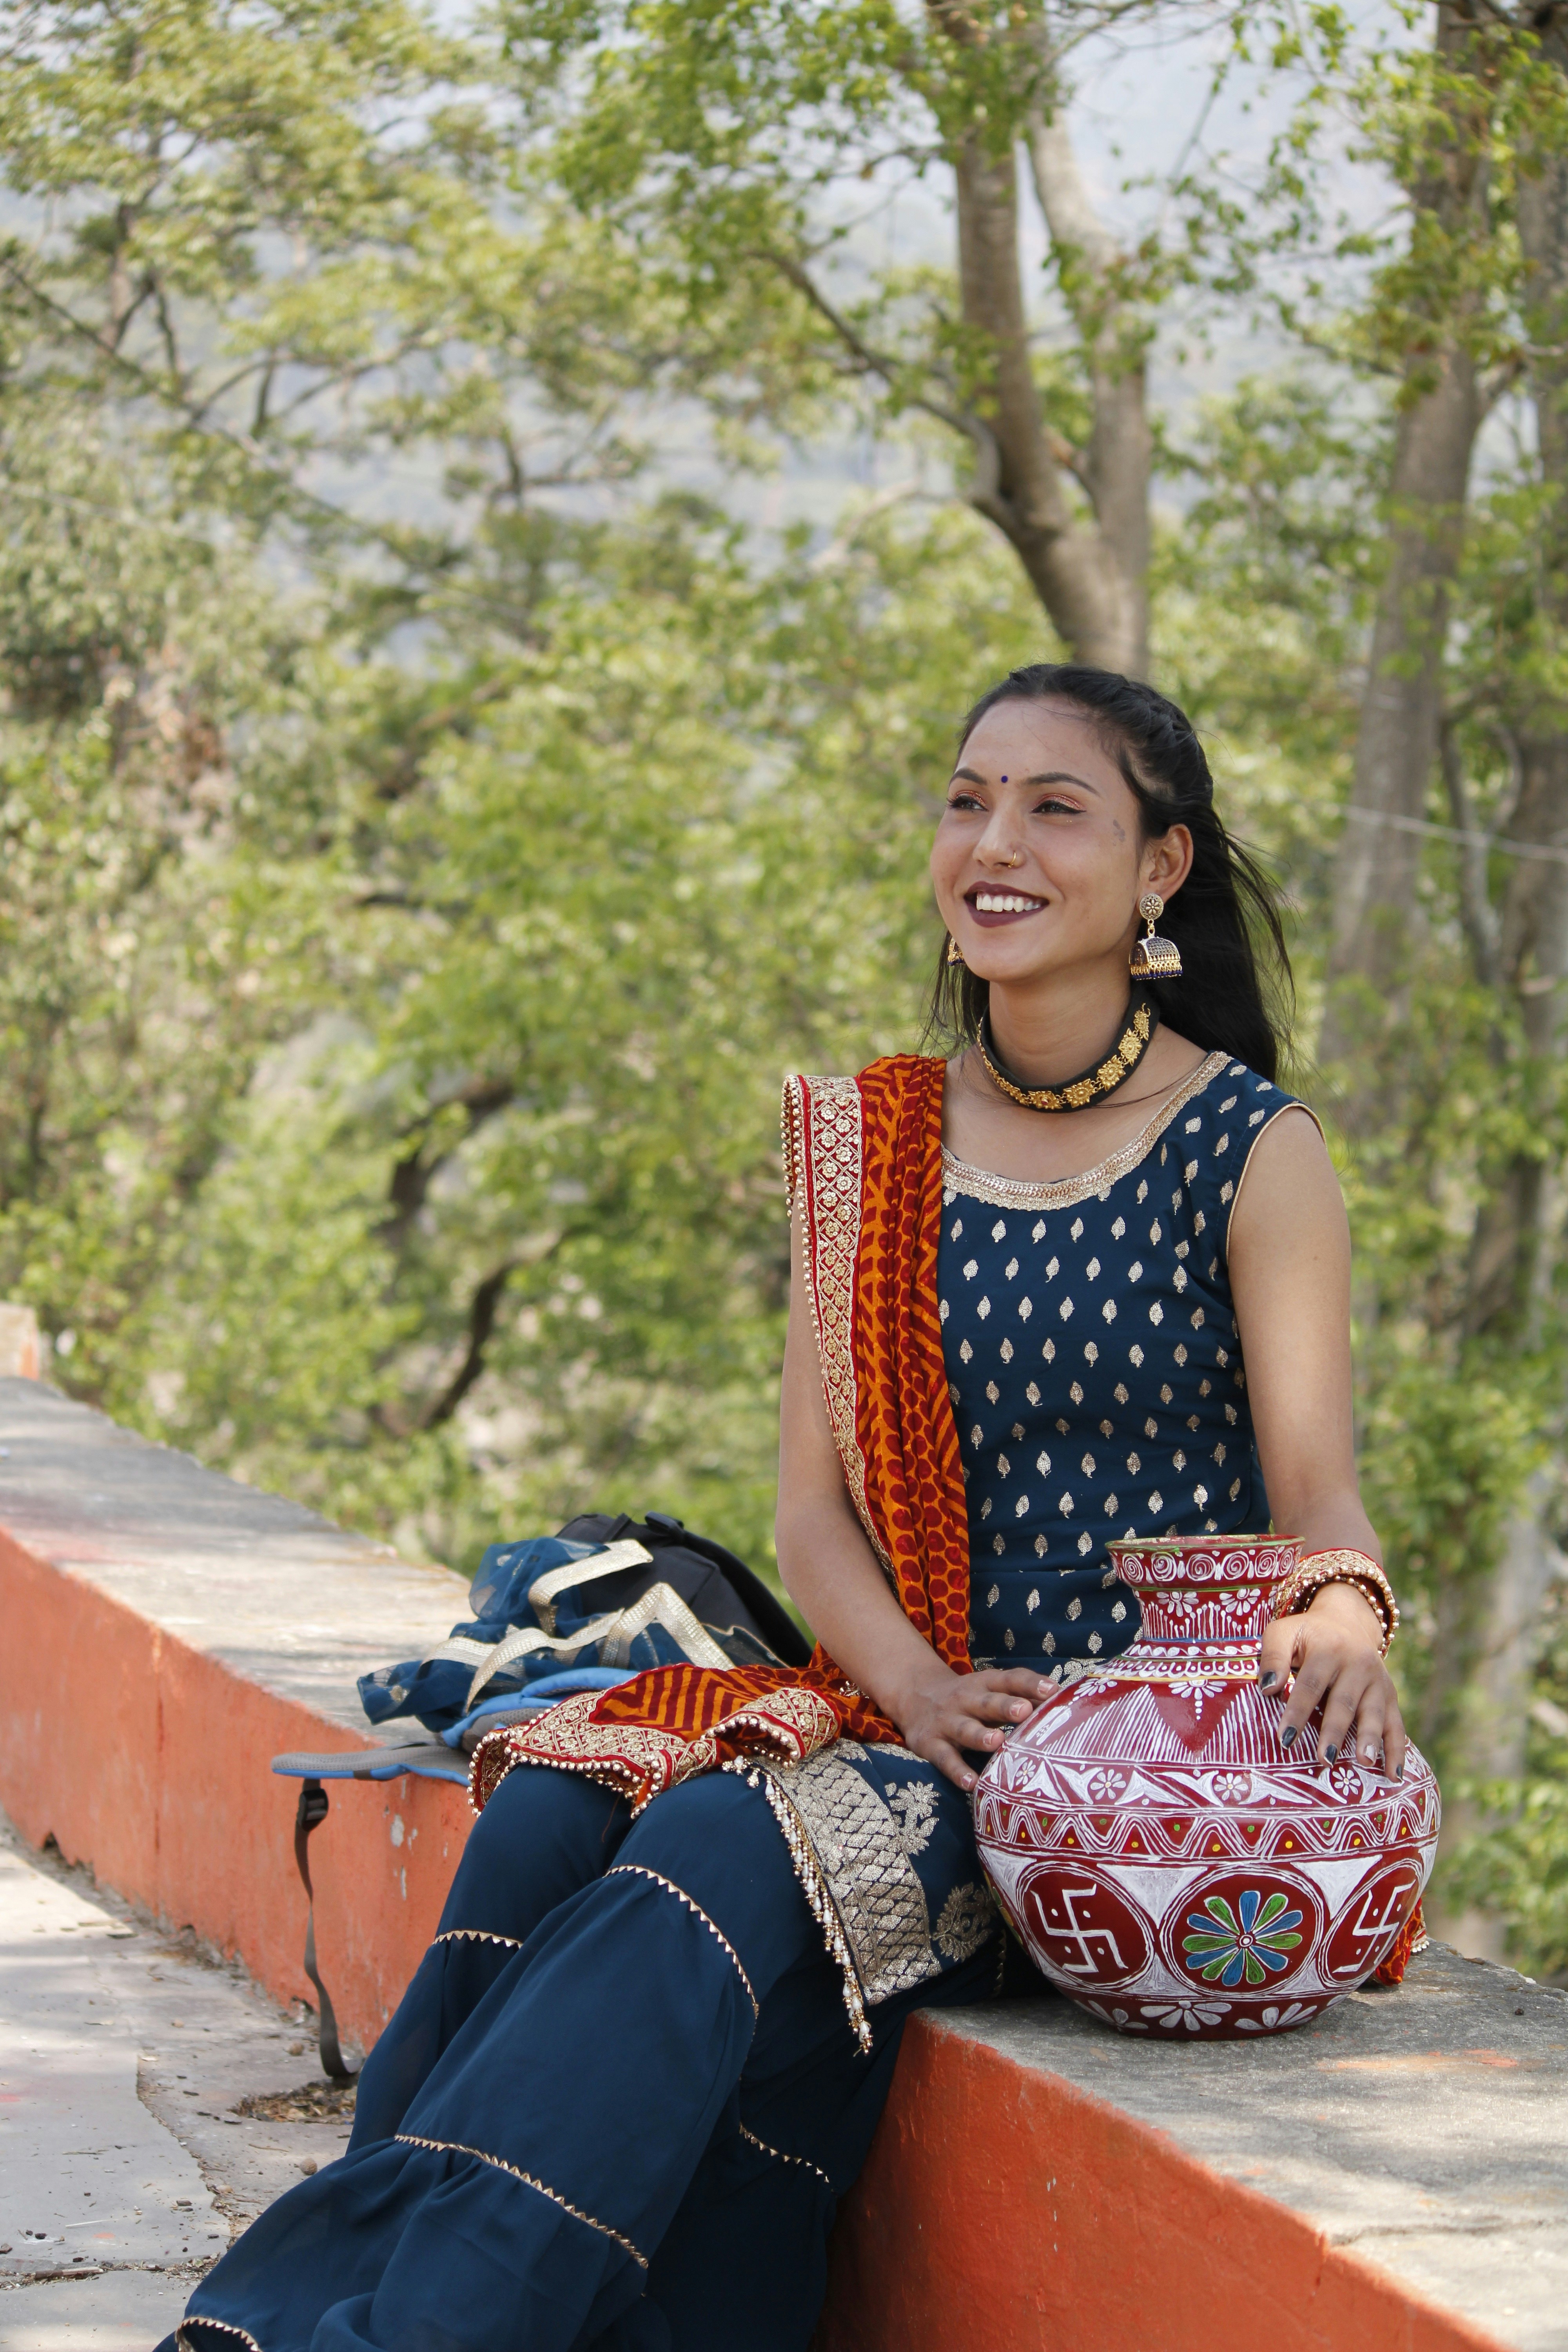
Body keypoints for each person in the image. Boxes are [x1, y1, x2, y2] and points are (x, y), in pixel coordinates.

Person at [167, 664, 1404, 2352]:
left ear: (1160, 869)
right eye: (968, 799)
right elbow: (808, 1515)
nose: (995, 841)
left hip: (1134, 1765)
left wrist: (1340, 1604)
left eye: (1058, 808)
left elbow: (1318, 1494)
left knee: (710, 1835)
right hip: (919, 1704)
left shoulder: (1251, 1150)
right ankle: (358, 2298)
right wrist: (907, 1685)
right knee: (545, 1814)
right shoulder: (871, 1148)